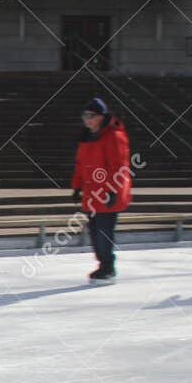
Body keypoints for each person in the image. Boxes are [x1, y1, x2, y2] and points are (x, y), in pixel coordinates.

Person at [70, 97, 133, 284]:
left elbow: (119, 166)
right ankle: (103, 265)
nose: (87, 120)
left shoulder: (114, 136)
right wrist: (77, 187)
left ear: (101, 117)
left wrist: (113, 191)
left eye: (91, 116)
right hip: (92, 194)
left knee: (104, 233)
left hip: (107, 194)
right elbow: (81, 165)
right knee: (95, 232)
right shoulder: (86, 136)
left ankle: (108, 267)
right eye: (85, 116)